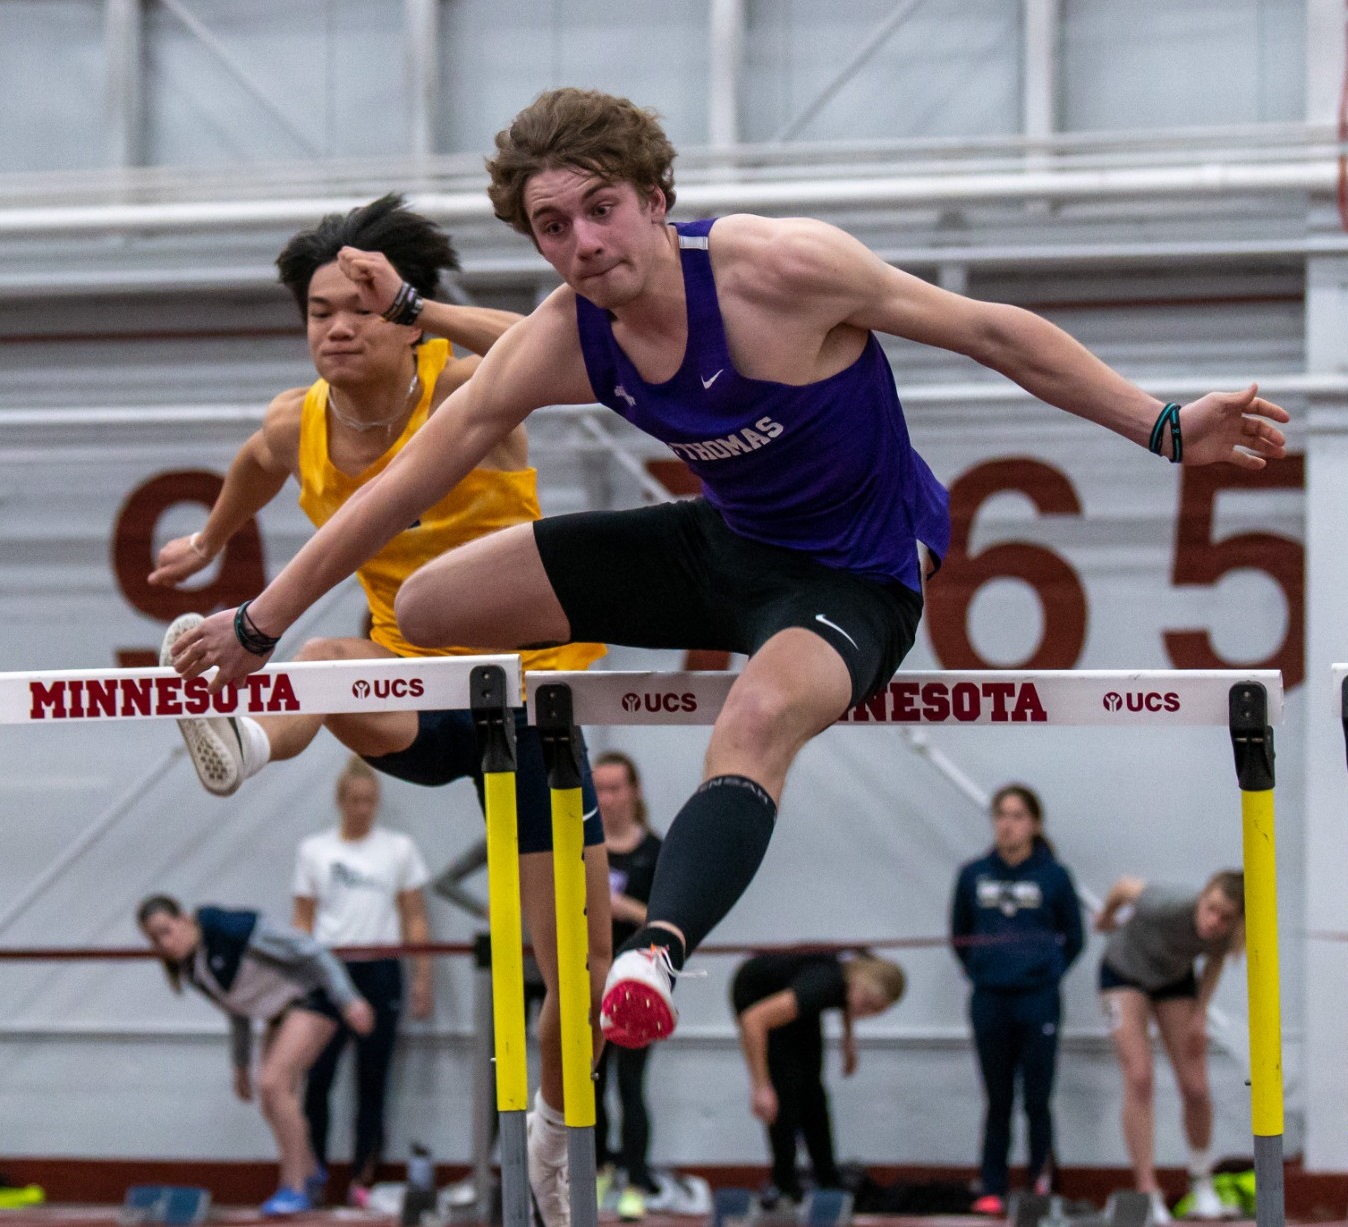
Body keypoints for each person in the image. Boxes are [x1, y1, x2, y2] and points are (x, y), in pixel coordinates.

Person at [165, 91, 1287, 1225]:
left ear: (656, 199)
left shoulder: (777, 269)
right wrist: (255, 623)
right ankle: (470, 749)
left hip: (851, 576)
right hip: (721, 545)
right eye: (552, 228)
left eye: (601, 211)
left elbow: (993, 331)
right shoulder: (566, 331)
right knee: (441, 598)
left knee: (750, 727)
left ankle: (653, 957)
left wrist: (1155, 421)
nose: (583, 246)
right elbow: (408, 481)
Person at [148, 194, 612, 1227]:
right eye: (318, 312)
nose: (336, 330)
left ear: (403, 316)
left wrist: (427, 308)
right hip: (409, 698)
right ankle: (246, 743)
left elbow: (579, 335)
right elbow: (255, 468)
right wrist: (216, 542)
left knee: (571, 986)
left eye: (358, 310)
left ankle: (547, 1122)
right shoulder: (294, 421)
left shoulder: (471, 390)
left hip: (527, 706)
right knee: (323, 655)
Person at [136, 894, 376, 1216]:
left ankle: (295, 1185)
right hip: (279, 1016)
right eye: (155, 939)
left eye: (167, 930)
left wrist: (349, 998)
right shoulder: (194, 970)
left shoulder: (231, 928)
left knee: (272, 1084)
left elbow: (312, 950)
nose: (165, 943)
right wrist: (239, 1064)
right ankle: (308, 1168)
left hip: (313, 999)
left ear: (184, 919)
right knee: (270, 1099)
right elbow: (238, 1010)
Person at [291, 758, 434, 1205]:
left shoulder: (398, 849)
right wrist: (297, 985)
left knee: (373, 1081)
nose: (361, 808)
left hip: (381, 969)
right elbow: (302, 921)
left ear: (377, 803)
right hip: (330, 971)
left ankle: (363, 1181)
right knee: (318, 1078)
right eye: (354, 800)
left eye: (369, 801)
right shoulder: (315, 851)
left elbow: (414, 914)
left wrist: (422, 977)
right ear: (340, 802)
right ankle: (311, 1174)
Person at [950, 785, 1085, 1214]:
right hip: (989, 1000)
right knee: (998, 1099)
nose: (1007, 824)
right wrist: (981, 970)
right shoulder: (973, 874)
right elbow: (960, 933)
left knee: (1037, 1100)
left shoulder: (1055, 876)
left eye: (1017, 815)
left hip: (1038, 1001)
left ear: (1034, 824)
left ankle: (1039, 1186)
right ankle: (992, 1187)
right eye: (1001, 815)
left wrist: (1045, 972)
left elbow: (1075, 937)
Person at [1093, 872, 1247, 1224]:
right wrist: (1106, 916)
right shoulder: (1168, 902)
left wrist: (1200, 1013)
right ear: (1202, 897)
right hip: (1123, 973)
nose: (1214, 922)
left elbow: (1214, 961)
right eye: (1211, 910)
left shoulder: (1227, 933)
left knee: (1196, 1086)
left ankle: (1201, 1185)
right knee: (1140, 1077)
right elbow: (1122, 886)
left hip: (1173, 980)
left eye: (1225, 917)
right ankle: (1148, 1191)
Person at [731, 951, 904, 1209]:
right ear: (863, 983)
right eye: (868, 1005)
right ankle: (784, 1184)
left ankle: (827, 1178)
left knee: (814, 1091)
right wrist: (760, 1086)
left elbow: (848, 1002)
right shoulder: (822, 987)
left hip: (790, 997)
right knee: (786, 1092)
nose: (866, 1014)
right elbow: (752, 1021)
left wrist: (849, 1040)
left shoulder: (847, 983)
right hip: (756, 996)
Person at [592, 752, 664, 1219]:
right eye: (599, 789)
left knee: (631, 1086)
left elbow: (668, 920)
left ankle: (637, 1179)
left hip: (637, 979)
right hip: (589, 979)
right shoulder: (583, 848)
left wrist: (625, 908)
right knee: (590, 1084)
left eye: (617, 788)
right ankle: (596, 1170)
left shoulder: (656, 851)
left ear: (634, 792)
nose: (609, 799)